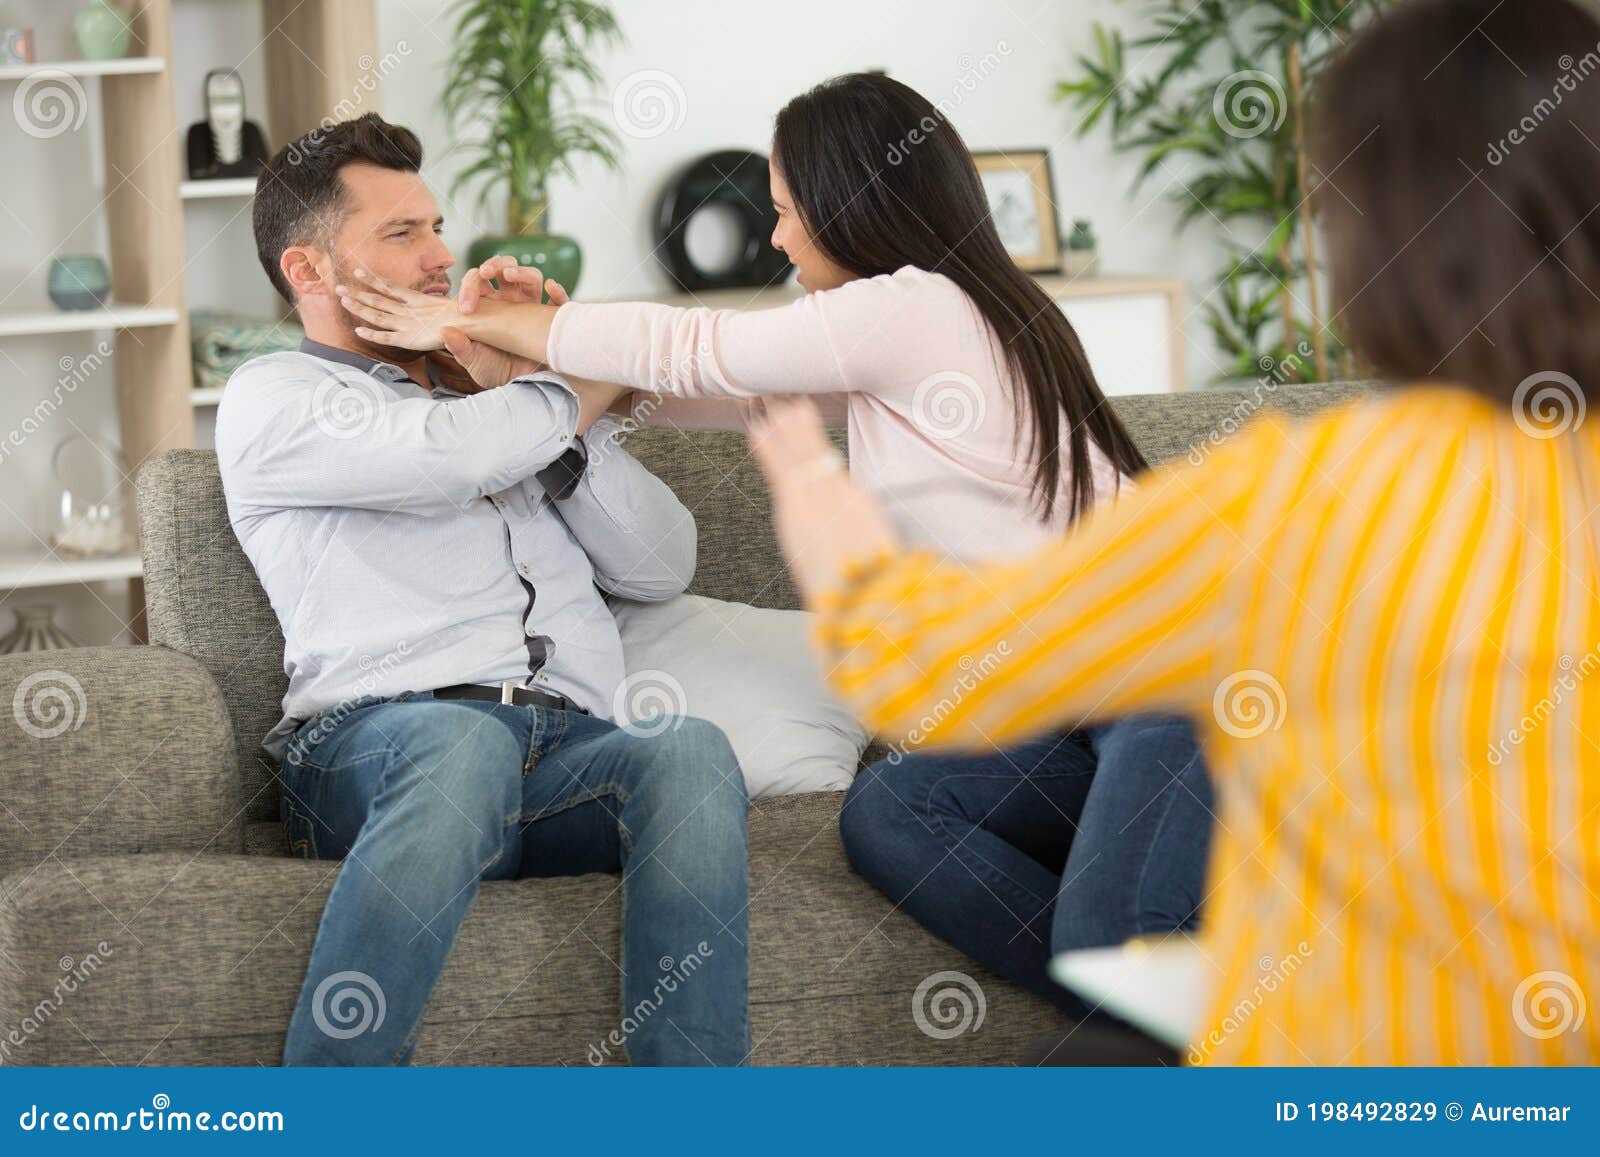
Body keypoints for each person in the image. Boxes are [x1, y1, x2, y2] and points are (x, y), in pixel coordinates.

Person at [739, 0, 1600, 1065]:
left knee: (1103, 1031)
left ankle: (1138, 1013)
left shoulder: (1305, 492)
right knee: (920, 826)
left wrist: (823, 513)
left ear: (1375, 236)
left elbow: (929, 663)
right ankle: (1136, 1003)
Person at [335, 73, 1215, 1018]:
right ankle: (1153, 1017)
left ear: (852, 204)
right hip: (1083, 718)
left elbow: (701, 348)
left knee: (1109, 947)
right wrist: (538, 361)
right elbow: (709, 388)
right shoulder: (899, 342)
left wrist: (476, 318)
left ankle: (1148, 1018)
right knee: (894, 811)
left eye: (789, 212)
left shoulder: (918, 307)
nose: (781, 238)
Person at [216, 113, 751, 1066]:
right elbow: (449, 459)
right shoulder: (276, 399)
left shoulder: (495, 409)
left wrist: (535, 387)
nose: (439, 257)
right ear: (307, 270)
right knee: (460, 744)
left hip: (558, 757)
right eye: (401, 233)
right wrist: (572, 377)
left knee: (690, 749)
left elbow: (663, 564)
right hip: (374, 751)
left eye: (436, 227)